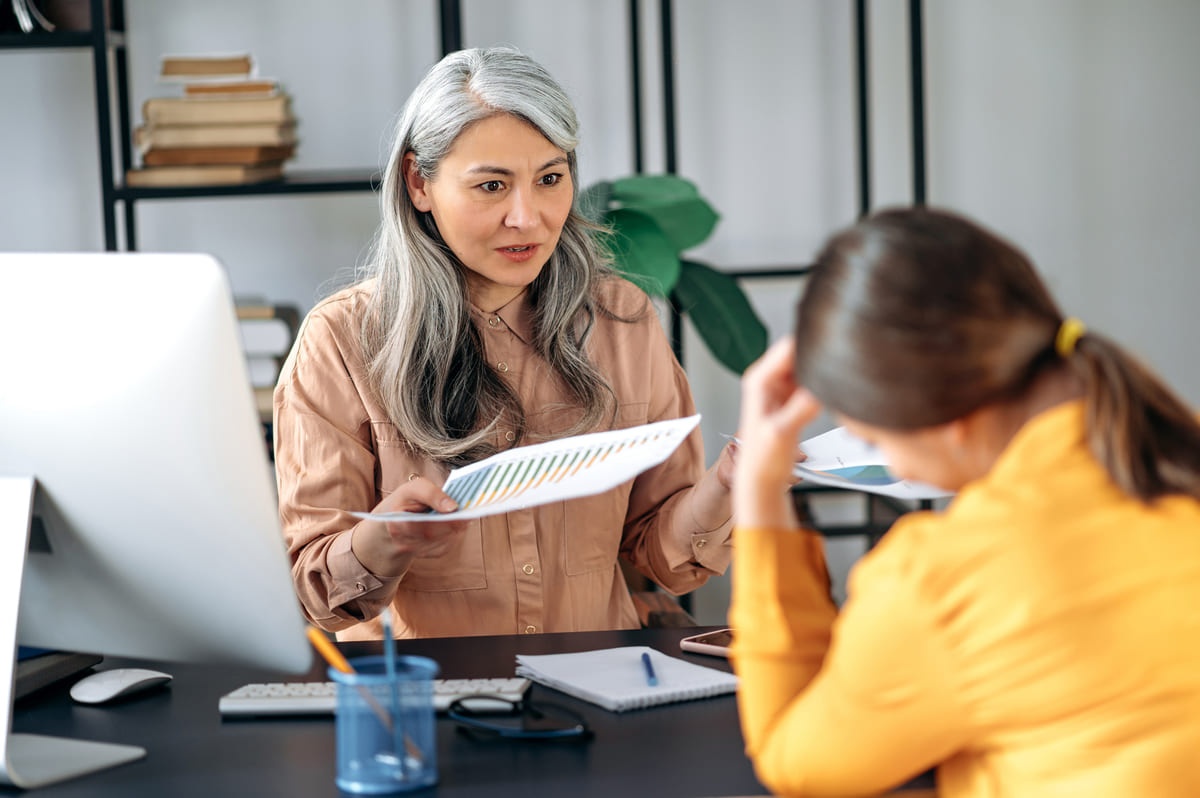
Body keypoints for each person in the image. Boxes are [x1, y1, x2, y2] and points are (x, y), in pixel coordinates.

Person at [729, 207, 1200, 796]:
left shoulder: (945, 579)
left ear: (947, 421)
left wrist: (757, 490)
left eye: (873, 440)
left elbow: (794, 760)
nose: (890, 465)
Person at [273, 46, 735, 641]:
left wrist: (726, 486)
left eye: (550, 179)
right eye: (492, 185)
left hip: (601, 683)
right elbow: (313, 593)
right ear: (419, 184)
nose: (529, 217)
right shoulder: (340, 339)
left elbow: (662, 558)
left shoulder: (621, 318)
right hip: (423, 699)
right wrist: (381, 540)